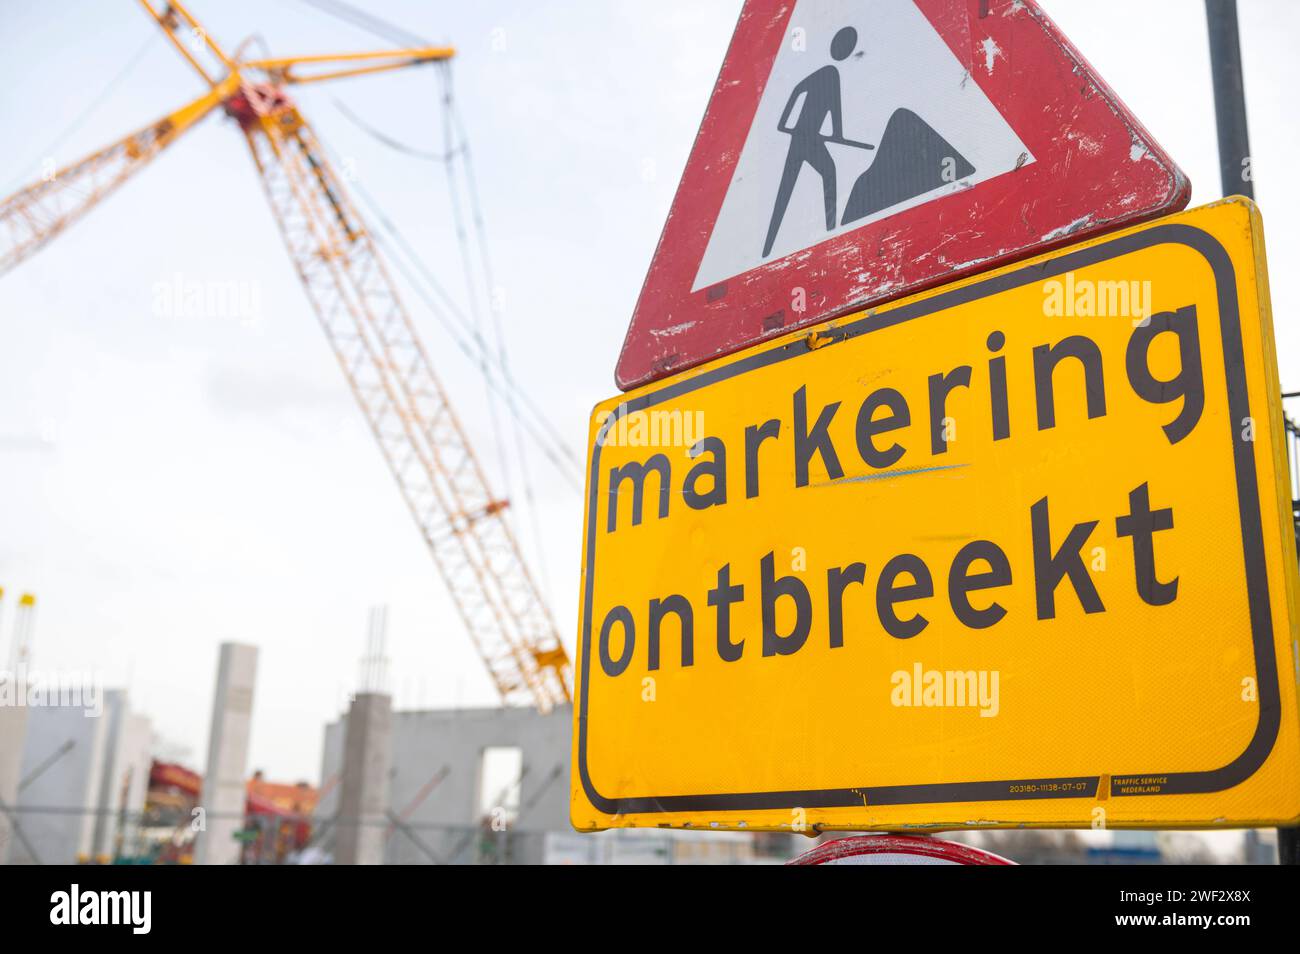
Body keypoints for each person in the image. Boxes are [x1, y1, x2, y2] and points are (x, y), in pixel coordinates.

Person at [763, 26, 858, 258]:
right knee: (786, 189)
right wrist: (784, 123)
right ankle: (770, 248)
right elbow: (798, 89)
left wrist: (838, 135)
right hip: (802, 137)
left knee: (826, 173)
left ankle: (831, 232)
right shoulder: (828, 72)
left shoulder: (831, 74)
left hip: (811, 138)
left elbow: (834, 109)